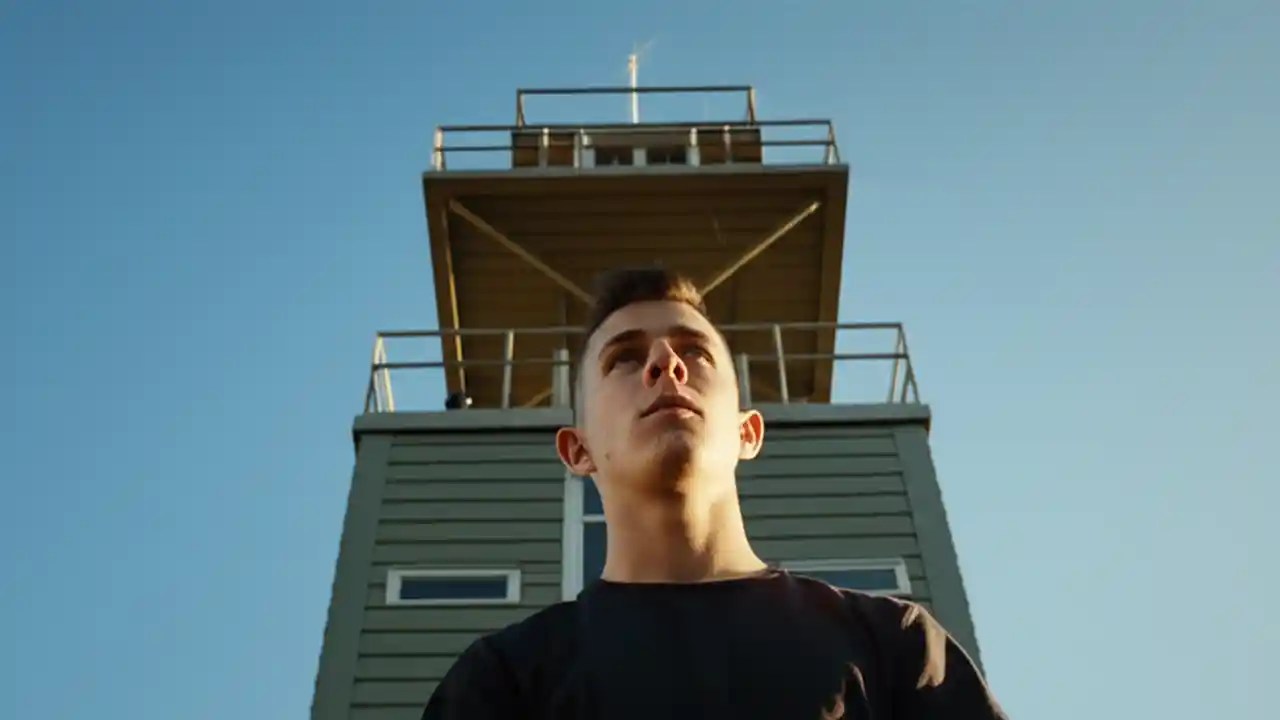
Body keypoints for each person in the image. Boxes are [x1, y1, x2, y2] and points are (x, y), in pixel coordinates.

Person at [421, 267, 1007, 719]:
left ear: (748, 432)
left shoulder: (897, 647)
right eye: (624, 358)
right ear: (577, 449)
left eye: (694, 352)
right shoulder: (502, 680)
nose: (665, 363)